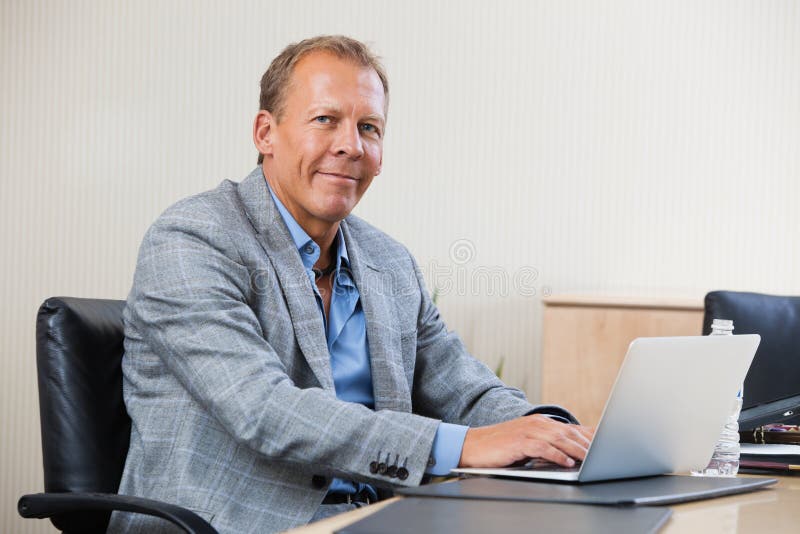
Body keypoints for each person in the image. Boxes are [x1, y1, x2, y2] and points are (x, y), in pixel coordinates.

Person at [108, 35, 593, 534]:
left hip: (378, 516)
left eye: (369, 128)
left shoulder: (388, 261)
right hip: (234, 524)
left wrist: (558, 438)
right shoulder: (192, 239)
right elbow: (263, 409)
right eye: (325, 119)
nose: (351, 145)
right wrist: (463, 445)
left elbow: (463, 390)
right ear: (265, 133)